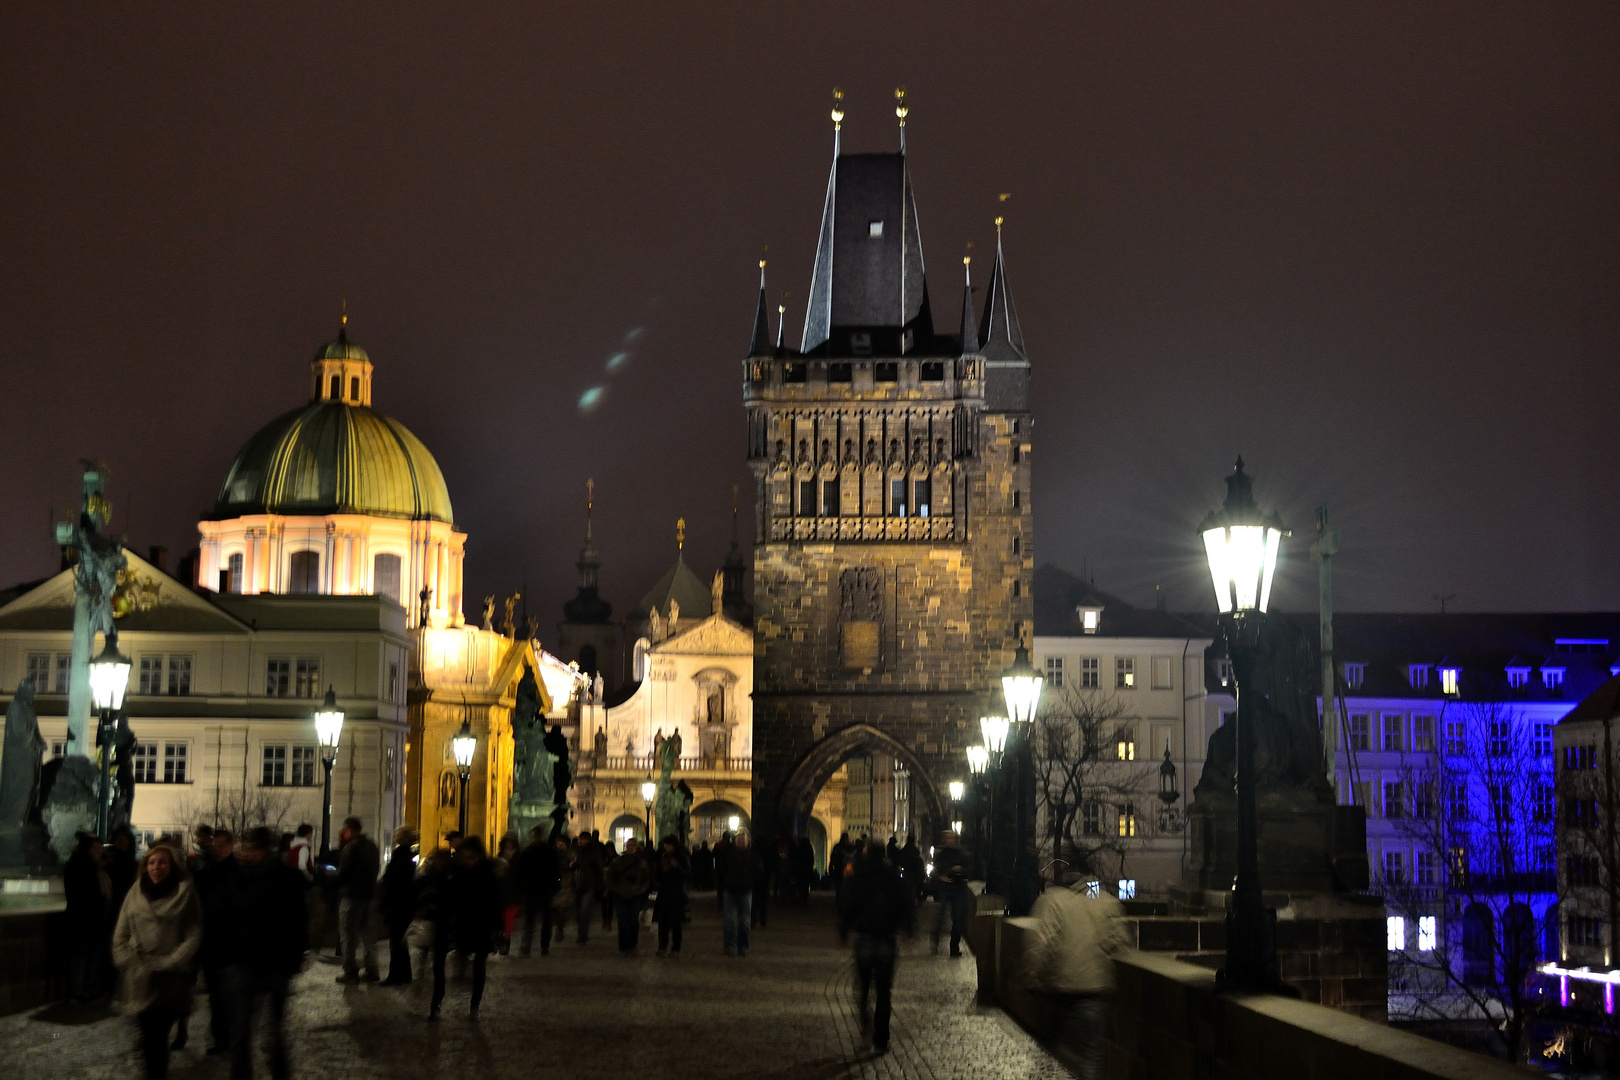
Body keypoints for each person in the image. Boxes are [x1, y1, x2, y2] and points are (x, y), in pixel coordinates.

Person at [222, 827, 307, 1080]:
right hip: (243, 962)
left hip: (275, 963)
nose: (247, 853)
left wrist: (292, 959)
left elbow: (298, 921)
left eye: (253, 848)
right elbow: (224, 916)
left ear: (266, 850)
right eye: (245, 848)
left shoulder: (287, 878)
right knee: (241, 1032)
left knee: (273, 1033)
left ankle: (279, 1073)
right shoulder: (235, 876)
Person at [112, 845, 203, 1080]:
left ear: (172, 866)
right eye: (151, 862)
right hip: (139, 976)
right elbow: (121, 930)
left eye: (162, 862)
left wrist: (170, 961)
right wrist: (123, 957)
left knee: (157, 1035)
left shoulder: (185, 893)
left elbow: (193, 934)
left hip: (169, 979)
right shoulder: (135, 892)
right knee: (147, 1035)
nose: (156, 867)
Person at [1026, 875, 1127, 1080]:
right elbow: (1120, 939)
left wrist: (1032, 977)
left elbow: (1040, 944)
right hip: (1095, 987)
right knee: (1091, 1053)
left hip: (1058, 987)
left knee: (1052, 1044)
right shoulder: (1107, 902)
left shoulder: (1052, 900)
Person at [838, 841, 915, 1055]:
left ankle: (865, 1031)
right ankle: (881, 1040)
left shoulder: (858, 877)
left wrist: (844, 932)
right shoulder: (894, 876)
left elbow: (848, 905)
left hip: (864, 937)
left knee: (863, 989)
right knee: (883, 992)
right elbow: (905, 903)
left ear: (866, 854)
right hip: (886, 938)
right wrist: (908, 929)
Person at [432, 837, 501, 1020]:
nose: (467, 862)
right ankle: (438, 1002)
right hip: (463, 924)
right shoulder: (457, 875)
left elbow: (495, 902)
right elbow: (449, 899)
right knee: (458, 959)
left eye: (471, 858)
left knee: (479, 965)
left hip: (482, 925)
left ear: (479, 857)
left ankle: (474, 1006)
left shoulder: (488, 875)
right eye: (464, 858)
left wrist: (498, 927)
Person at [193, 828, 240, 1054]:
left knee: (228, 995)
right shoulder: (207, 871)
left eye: (222, 846)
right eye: (216, 845)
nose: (218, 850)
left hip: (229, 943)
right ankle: (220, 1038)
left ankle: (229, 1037)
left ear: (230, 846)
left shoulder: (238, 872)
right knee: (215, 994)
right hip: (211, 941)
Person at [64, 832, 110, 1001]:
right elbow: (80, 895)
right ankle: (79, 991)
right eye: (95, 848)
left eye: (100, 847)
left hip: (96, 921)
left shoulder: (99, 868)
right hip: (83, 921)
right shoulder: (80, 866)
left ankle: (89, 988)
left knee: (92, 957)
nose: (100, 851)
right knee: (81, 957)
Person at [334, 816, 381, 983]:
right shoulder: (372, 846)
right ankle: (372, 970)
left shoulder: (351, 847)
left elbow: (343, 873)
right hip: (369, 895)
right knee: (369, 935)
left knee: (348, 936)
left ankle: (350, 971)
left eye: (344, 830)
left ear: (349, 830)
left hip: (352, 896)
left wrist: (332, 878)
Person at [379, 826, 418, 985]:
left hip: (398, 904)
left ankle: (395, 975)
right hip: (402, 904)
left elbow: (393, 880)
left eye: (397, 835)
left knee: (396, 941)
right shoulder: (406, 856)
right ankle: (405, 974)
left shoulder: (401, 857)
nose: (395, 837)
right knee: (399, 941)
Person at [516, 826, 560, 957]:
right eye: (536, 835)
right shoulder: (528, 852)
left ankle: (544, 946)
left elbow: (555, 871)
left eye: (539, 835)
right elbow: (521, 872)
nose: (537, 838)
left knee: (545, 920)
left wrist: (554, 887)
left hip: (545, 890)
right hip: (532, 890)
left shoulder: (547, 852)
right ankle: (527, 946)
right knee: (530, 919)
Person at [604, 837, 652, 954]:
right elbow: (609, 876)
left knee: (633, 920)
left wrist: (640, 890)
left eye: (633, 846)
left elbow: (646, 879)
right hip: (620, 894)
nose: (630, 848)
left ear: (637, 848)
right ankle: (624, 944)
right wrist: (615, 889)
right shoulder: (617, 861)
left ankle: (632, 942)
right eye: (629, 845)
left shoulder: (641, 862)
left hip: (635, 894)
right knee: (623, 920)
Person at [930, 830, 972, 957]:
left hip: (957, 889)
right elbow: (934, 870)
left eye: (951, 838)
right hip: (944, 889)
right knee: (940, 917)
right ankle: (935, 941)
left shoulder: (961, 853)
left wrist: (960, 870)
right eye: (947, 838)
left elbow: (968, 869)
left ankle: (954, 947)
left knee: (958, 920)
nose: (950, 840)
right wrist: (941, 877)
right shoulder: (940, 854)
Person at [716, 831, 758, 956]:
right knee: (730, 920)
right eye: (739, 840)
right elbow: (721, 868)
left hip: (746, 891)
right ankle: (730, 945)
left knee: (745, 921)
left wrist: (750, 880)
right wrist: (727, 880)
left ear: (748, 841)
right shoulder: (729, 854)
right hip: (730, 890)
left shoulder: (753, 855)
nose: (741, 842)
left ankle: (742, 946)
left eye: (743, 840)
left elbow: (759, 871)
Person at [651, 838, 687, 958]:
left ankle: (675, 948)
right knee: (663, 922)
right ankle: (662, 946)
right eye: (665, 845)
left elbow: (686, 875)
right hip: (664, 893)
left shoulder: (681, 857)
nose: (666, 847)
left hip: (676, 893)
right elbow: (656, 875)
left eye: (668, 845)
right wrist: (661, 871)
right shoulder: (662, 857)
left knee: (675, 922)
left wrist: (677, 867)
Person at [569, 832, 602, 944]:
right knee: (577, 912)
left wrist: (602, 885)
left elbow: (599, 869)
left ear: (588, 840)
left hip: (589, 885)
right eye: (580, 839)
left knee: (584, 910)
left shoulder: (593, 852)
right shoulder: (575, 851)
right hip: (576, 884)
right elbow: (572, 866)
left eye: (583, 839)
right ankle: (582, 931)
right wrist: (572, 866)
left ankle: (582, 934)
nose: (580, 841)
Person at [493, 833, 522, 955]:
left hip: (513, 893)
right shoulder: (500, 856)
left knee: (508, 919)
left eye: (511, 842)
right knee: (500, 919)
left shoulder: (518, 857)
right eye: (507, 842)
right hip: (500, 893)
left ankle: (506, 941)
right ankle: (500, 940)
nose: (508, 844)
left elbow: (521, 875)